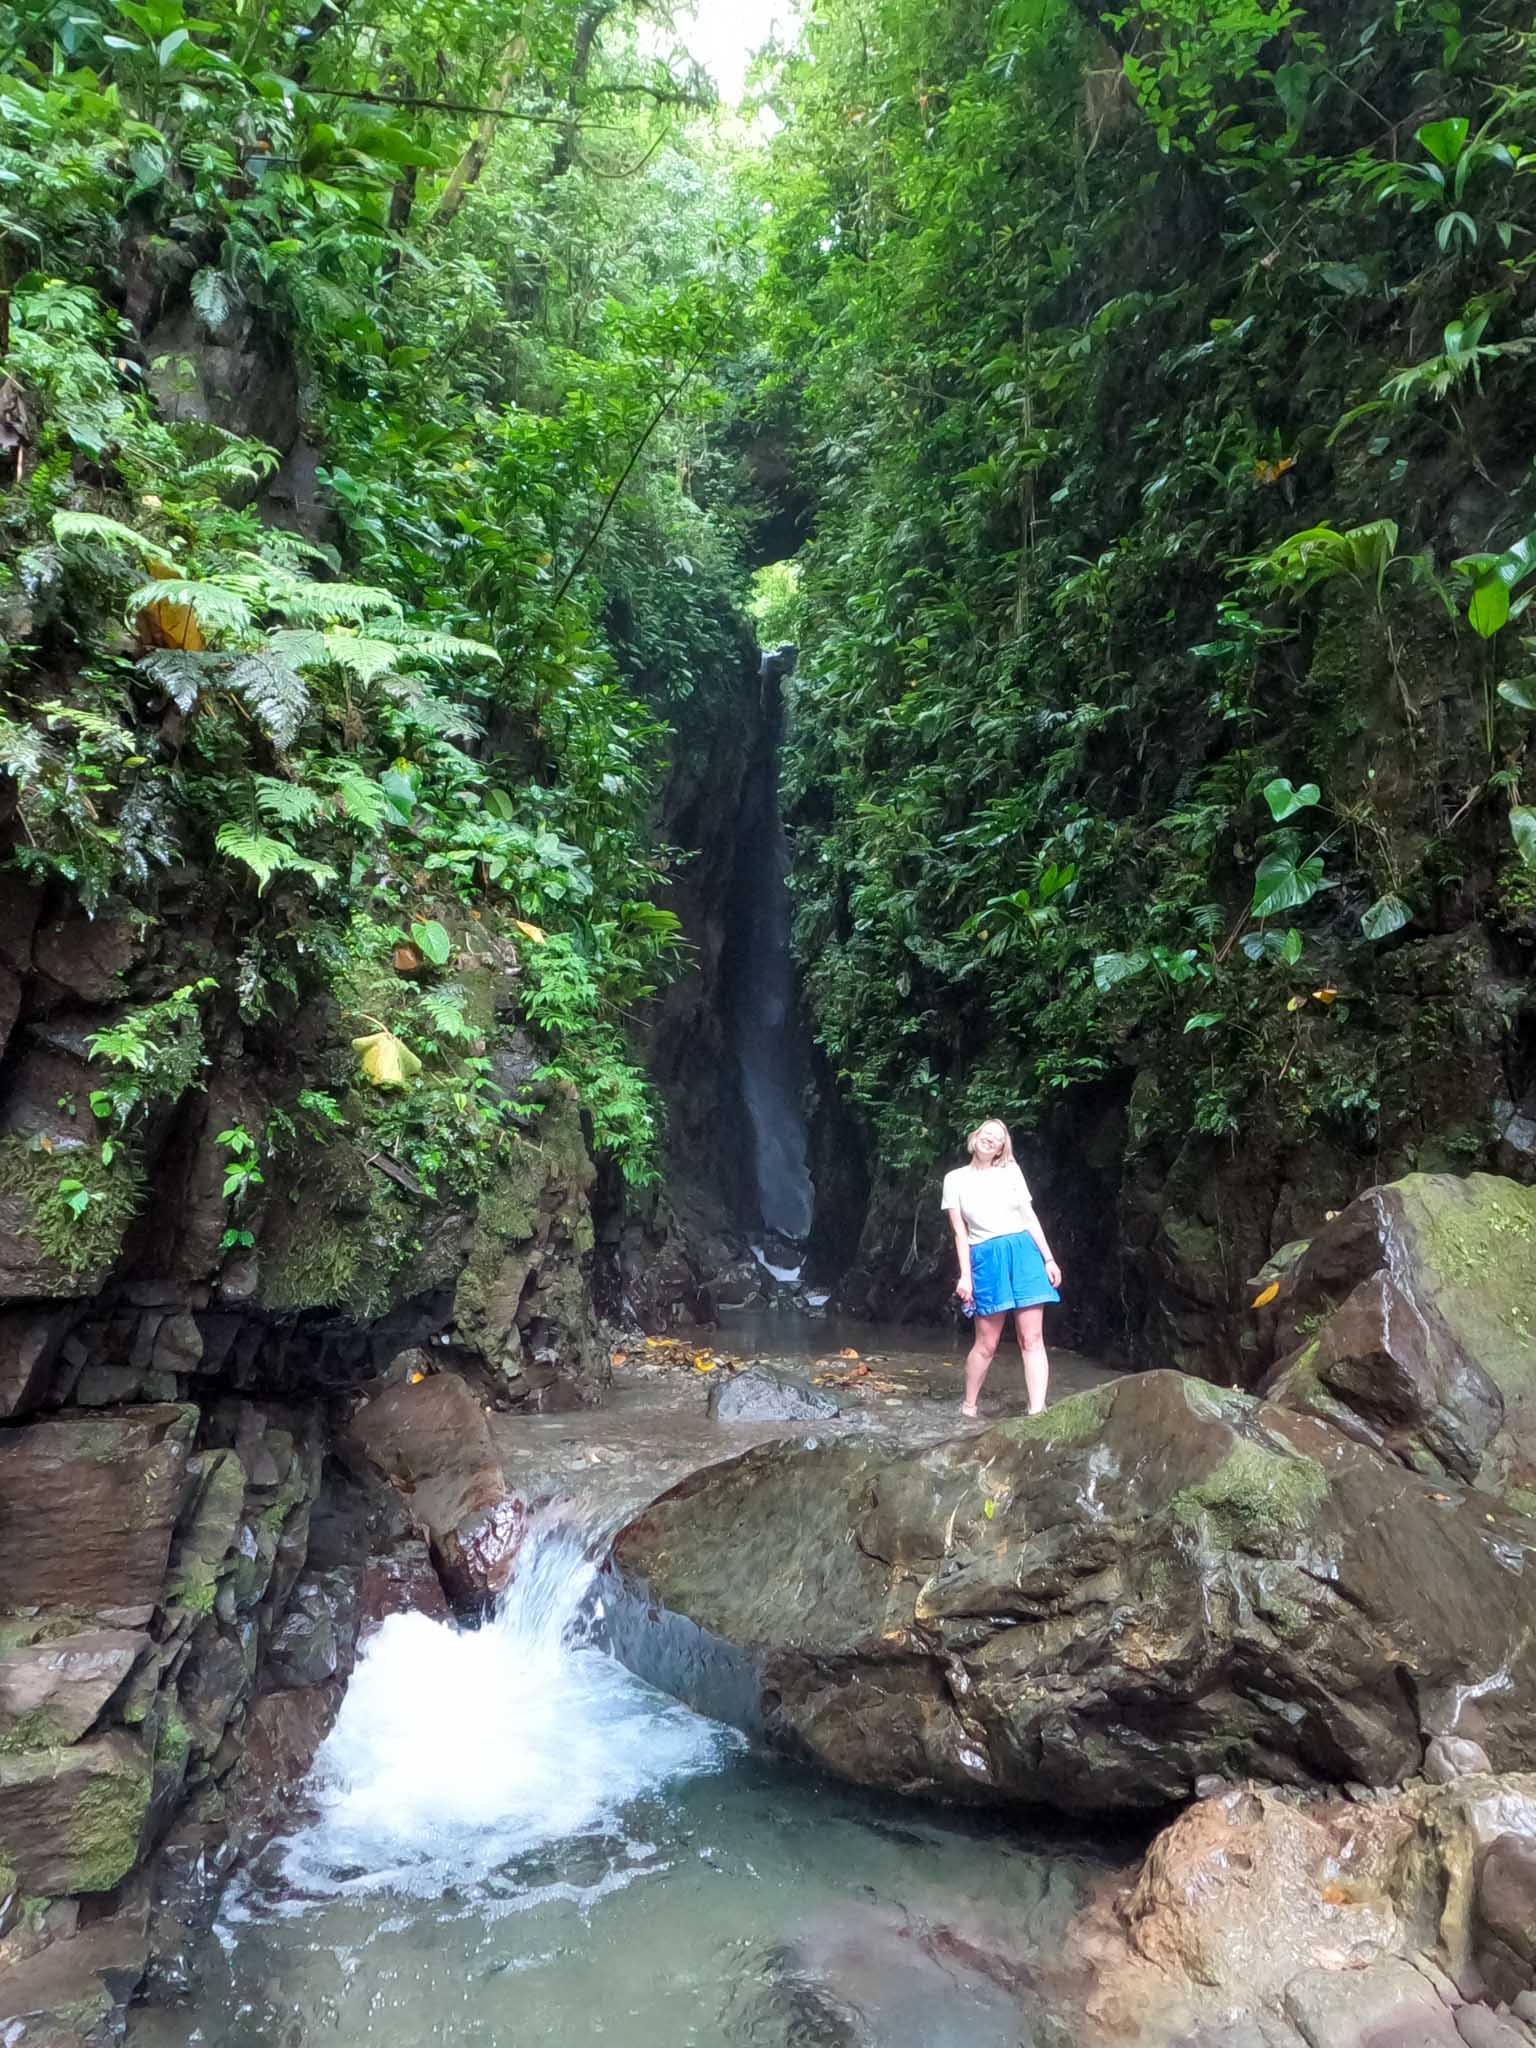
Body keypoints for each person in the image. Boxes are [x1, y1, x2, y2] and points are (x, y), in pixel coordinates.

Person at [941, 1119, 1062, 1419]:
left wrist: (1048, 1258)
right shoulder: (954, 1179)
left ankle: (1037, 1410)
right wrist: (965, 1276)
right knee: (986, 1342)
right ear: (975, 1137)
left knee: (1032, 1338)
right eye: (987, 1134)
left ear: (1001, 1148)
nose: (991, 1140)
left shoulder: (1011, 1171)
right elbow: (960, 1232)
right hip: (985, 1255)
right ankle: (969, 1406)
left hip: (1023, 1253)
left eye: (998, 1138)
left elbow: (1029, 1217)